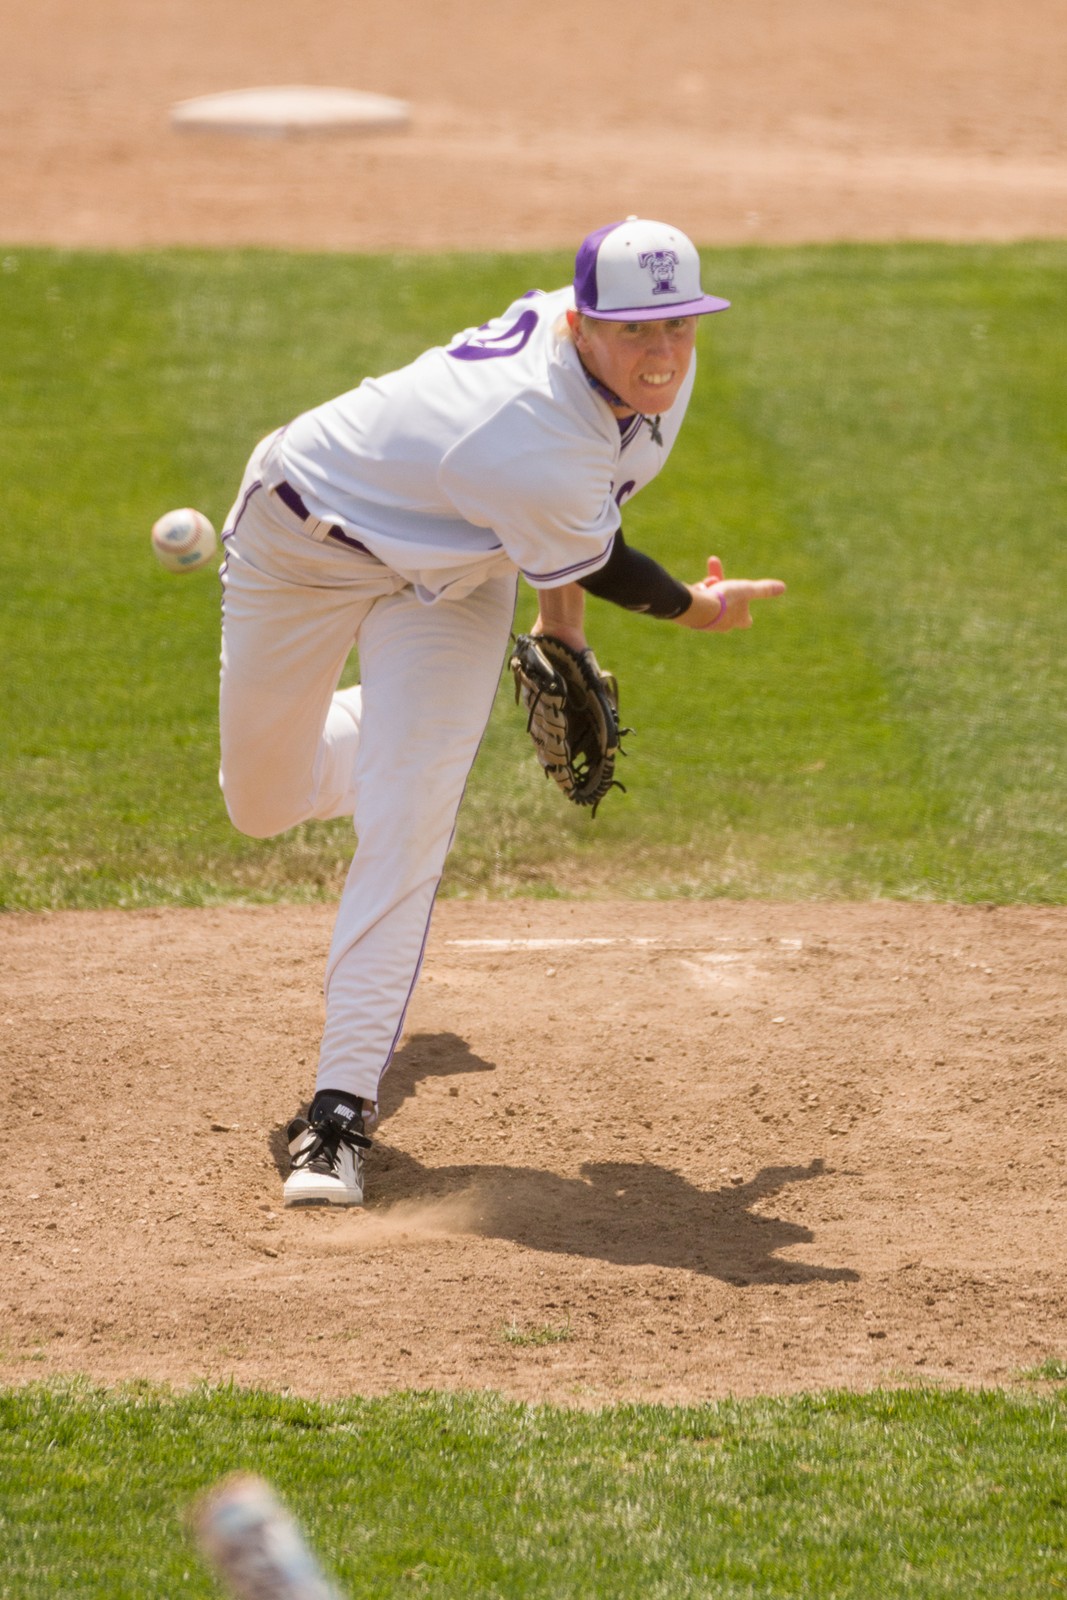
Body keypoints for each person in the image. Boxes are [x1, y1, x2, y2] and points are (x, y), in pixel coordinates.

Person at [217, 217, 785, 1208]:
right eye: (634, 332)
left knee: (409, 816)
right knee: (262, 803)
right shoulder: (521, 420)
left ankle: (337, 1113)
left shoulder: (649, 372)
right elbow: (598, 545)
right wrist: (701, 609)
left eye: (678, 326)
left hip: (458, 573)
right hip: (304, 542)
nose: (660, 355)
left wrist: (558, 629)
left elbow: (584, 497)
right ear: (578, 323)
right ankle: (387, 740)